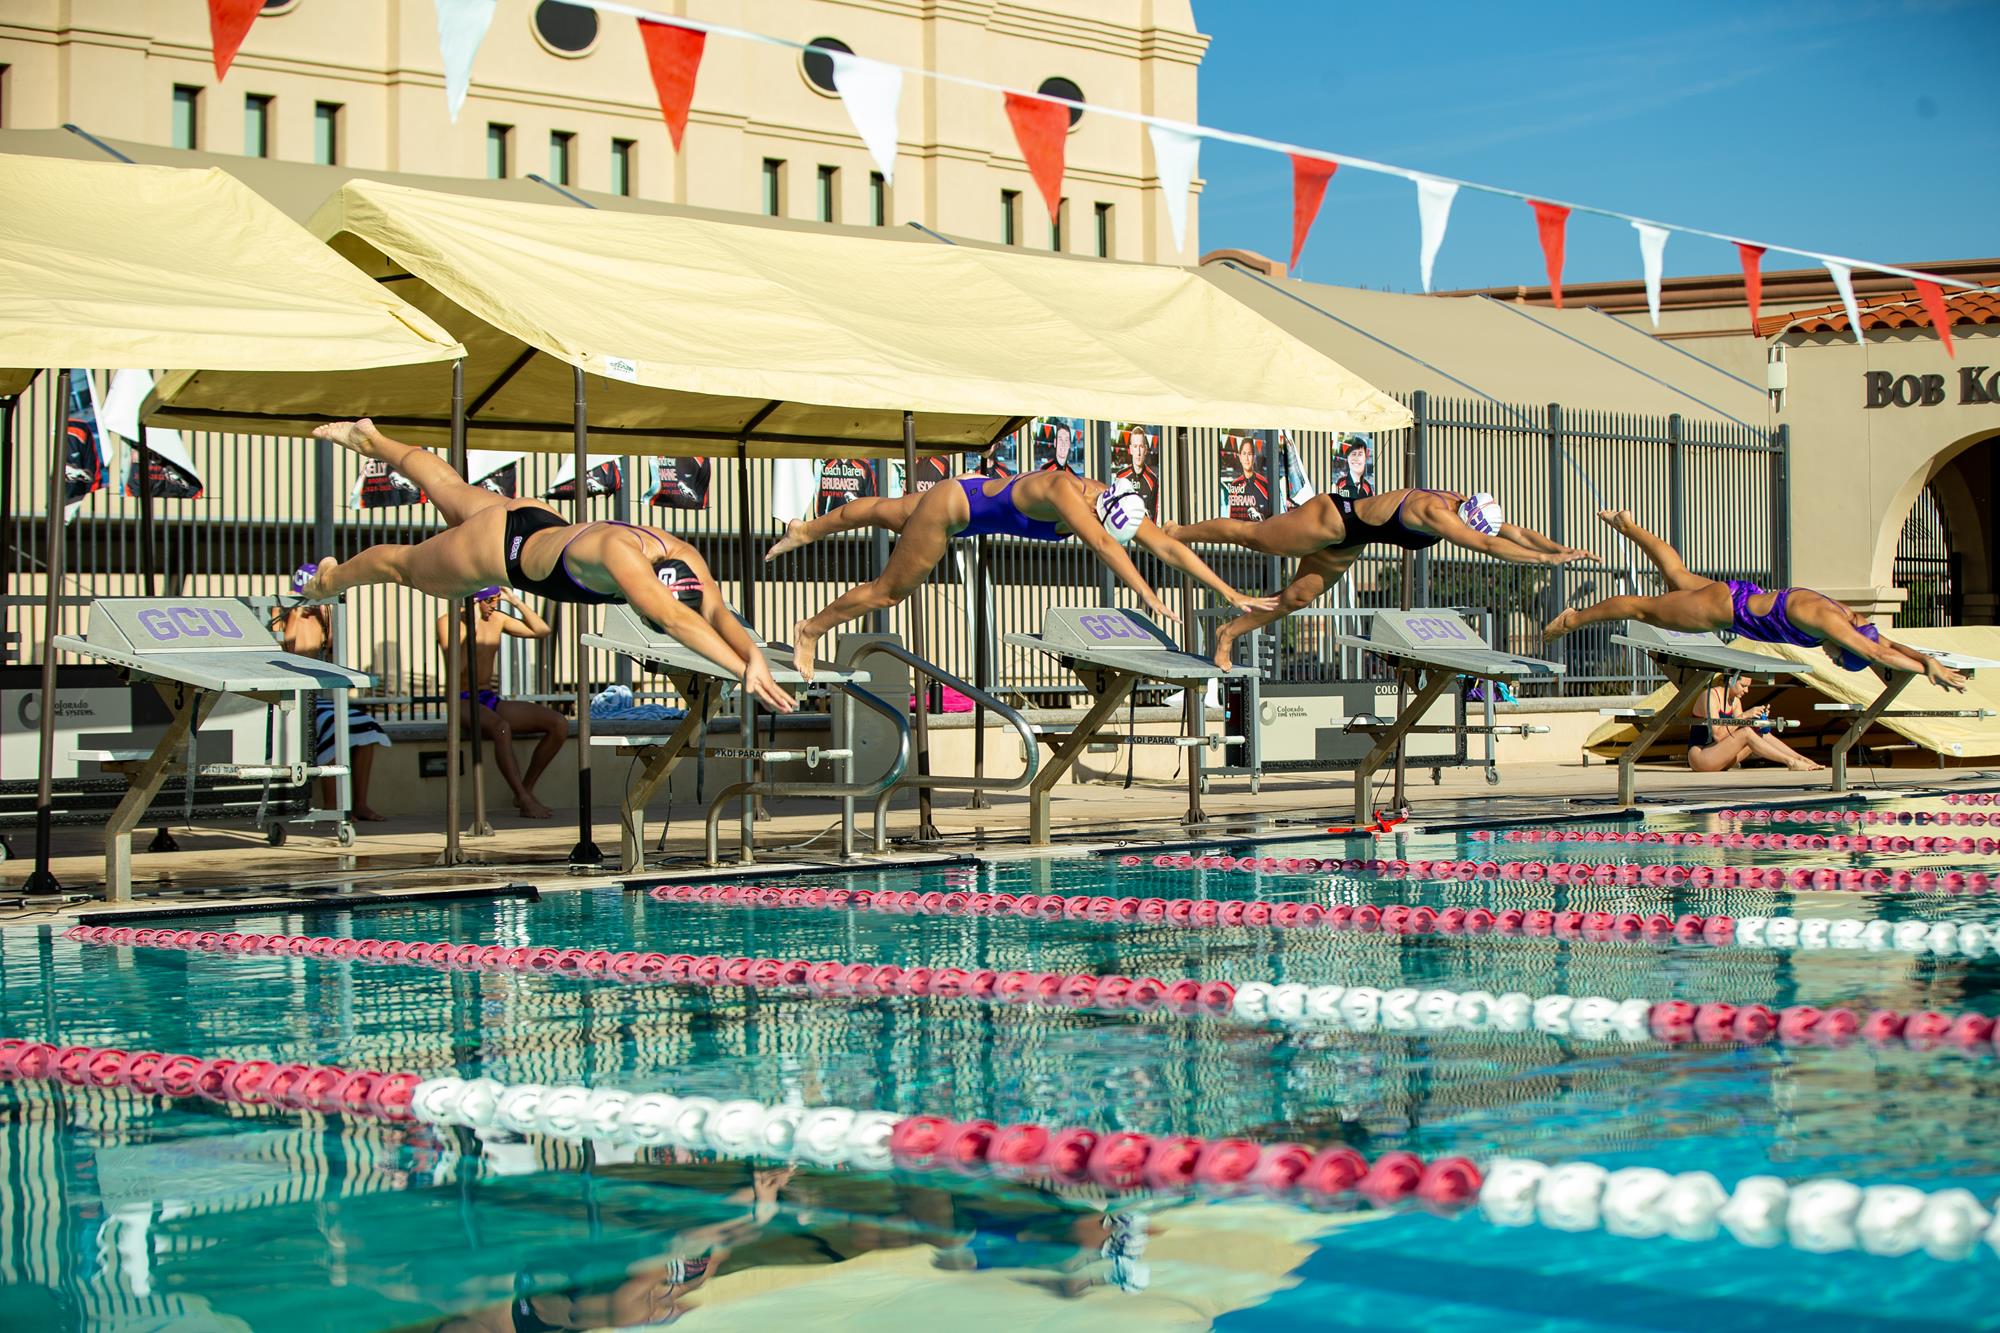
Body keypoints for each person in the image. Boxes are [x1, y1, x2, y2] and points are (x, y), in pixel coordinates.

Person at [298, 419, 793, 716]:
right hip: (500, 550)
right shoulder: (623, 561)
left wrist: (752, 658)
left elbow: (716, 611)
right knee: (405, 567)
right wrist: (736, 668)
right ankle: (329, 579)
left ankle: (372, 439)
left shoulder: (680, 552)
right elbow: (676, 618)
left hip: (533, 517)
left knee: (448, 489)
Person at [764, 470, 1278, 679]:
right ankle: (810, 630)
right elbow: (1101, 544)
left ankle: (805, 529)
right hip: (952, 510)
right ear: (1099, 510)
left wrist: (1230, 591)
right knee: (888, 592)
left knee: (887, 510)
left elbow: (1166, 545)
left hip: (968, 495)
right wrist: (1147, 596)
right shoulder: (1063, 492)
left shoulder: (1113, 499)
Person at [1167, 486, 1588, 669]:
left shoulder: (1467, 506)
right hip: (1334, 518)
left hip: (1351, 541)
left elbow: (1509, 532)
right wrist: (1541, 563)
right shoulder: (1435, 512)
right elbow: (1489, 547)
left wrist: (1556, 549)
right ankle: (1178, 533)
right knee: (1258, 539)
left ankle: (1228, 634)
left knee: (1297, 599)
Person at [1545, 511, 1969, 691]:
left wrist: (1925, 662)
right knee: (1643, 607)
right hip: (1725, 610)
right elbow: (1877, 651)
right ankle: (1574, 618)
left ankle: (1628, 526)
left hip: (1737, 596)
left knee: (1675, 576)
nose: (1834, 658)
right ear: (1844, 645)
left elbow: (1885, 645)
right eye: (1840, 659)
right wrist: (1927, 667)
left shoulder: (1846, 618)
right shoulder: (1831, 624)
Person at [436, 588, 568, 819]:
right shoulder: (449, 622)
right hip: (462, 700)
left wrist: (516, 602)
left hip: (488, 697)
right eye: (488, 601)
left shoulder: (497, 619)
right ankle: (524, 799)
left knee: (558, 724)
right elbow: (458, 667)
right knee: (501, 728)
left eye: (496, 600)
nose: (494, 606)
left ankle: (524, 790)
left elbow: (542, 630)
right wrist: (474, 627)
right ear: (473, 601)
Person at [274, 564, 389, 821]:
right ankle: (332, 806)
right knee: (334, 728)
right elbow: (286, 649)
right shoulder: (280, 613)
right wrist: (296, 612)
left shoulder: (321, 617)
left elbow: (334, 653)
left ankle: (359, 803)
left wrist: (327, 617)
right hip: (290, 699)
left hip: (317, 697)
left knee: (367, 728)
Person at [1686, 672, 1822, 773]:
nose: (1747, 691)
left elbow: (1736, 728)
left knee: (1757, 732)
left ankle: (1801, 759)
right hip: (1701, 757)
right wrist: (1745, 715)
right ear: (1731, 680)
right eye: (1743, 686)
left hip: (1721, 756)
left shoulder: (1735, 701)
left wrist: (1758, 720)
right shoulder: (1710, 696)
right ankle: (1790, 762)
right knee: (1747, 733)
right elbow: (1719, 735)